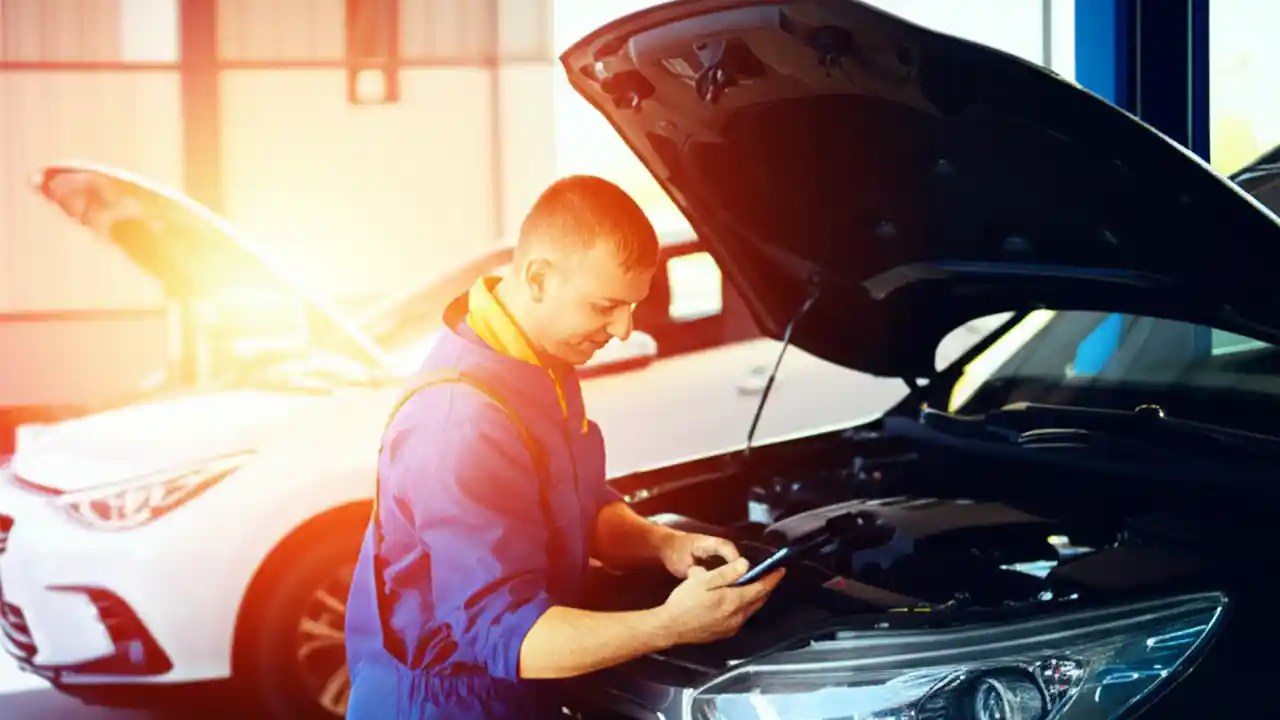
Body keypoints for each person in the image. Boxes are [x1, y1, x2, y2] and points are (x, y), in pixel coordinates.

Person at [344, 175, 784, 718]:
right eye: (605, 306)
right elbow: (514, 638)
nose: (622, 329)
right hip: (447, 705)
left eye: (631, 307)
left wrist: (663, 544)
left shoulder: (536, 363)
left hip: (516, 693)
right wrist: (671, 625)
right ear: (538, 278)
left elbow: (577, 505)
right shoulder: (460, 422)